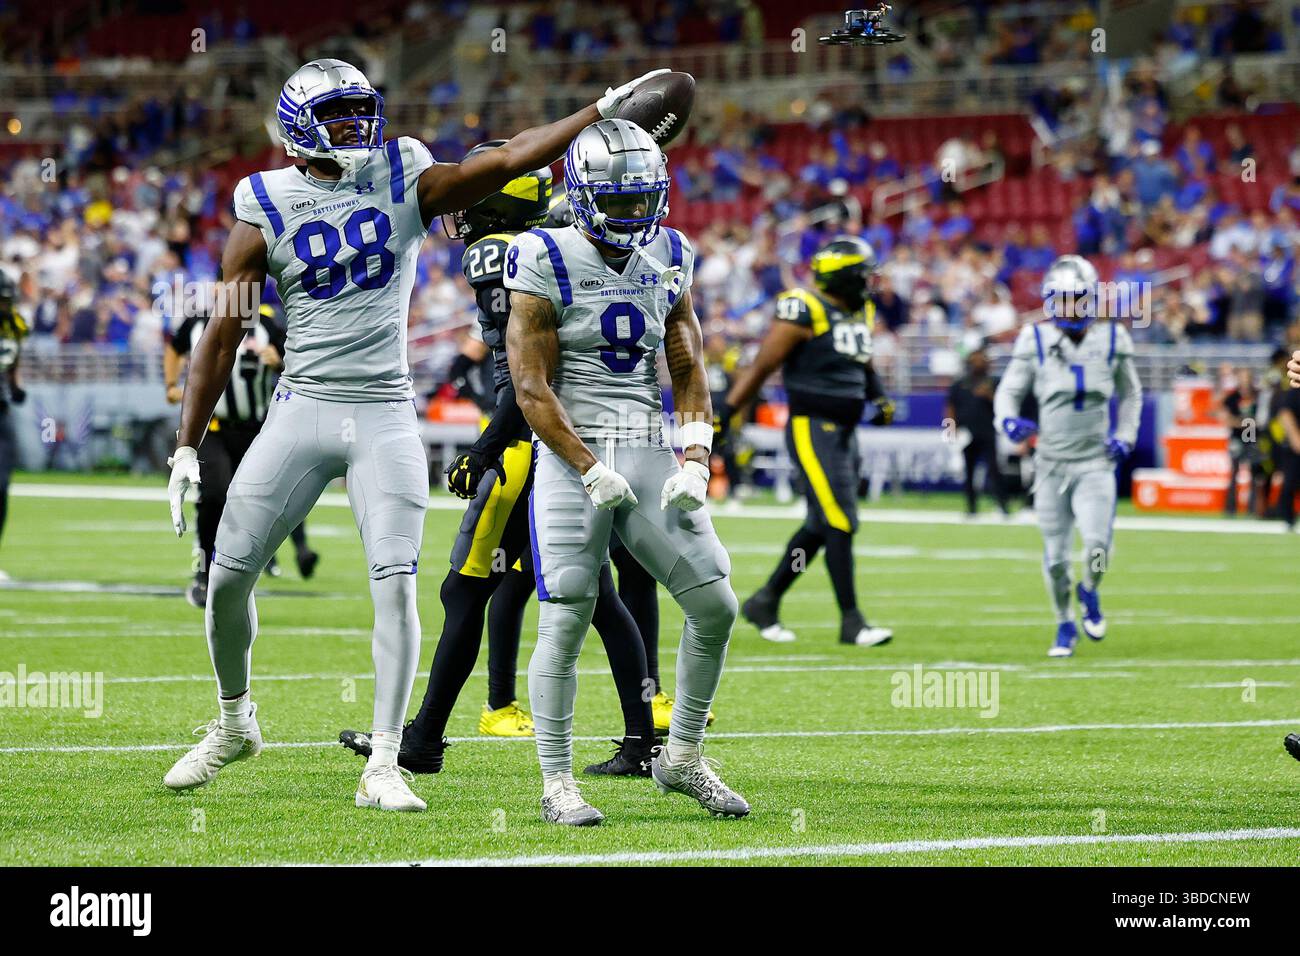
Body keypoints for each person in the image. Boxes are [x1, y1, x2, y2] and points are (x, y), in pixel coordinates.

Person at [161, 57, 670, 812]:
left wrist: (592, 113)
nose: (356, 128)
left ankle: (386, 763)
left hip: (384, 411)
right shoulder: (263, 202)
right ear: (301, 126)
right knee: (228, 576)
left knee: (394, 583)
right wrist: (185, 446)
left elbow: (502, 159)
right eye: (337, 116)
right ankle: (236, 720)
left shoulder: (405, 172)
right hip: (301, 404)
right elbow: (222, 331)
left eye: (360, 111)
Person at [337, 144, 660, 777]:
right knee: (590, 593)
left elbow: (526, 379)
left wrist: (487, 445)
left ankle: (425, 740)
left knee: (468, 589)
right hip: (574, 441)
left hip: (528, 444)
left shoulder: (501, 254)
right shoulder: (558, 245)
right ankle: (640, 739)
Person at [506, 118, 748, 824]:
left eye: (644, 199)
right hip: (569, 450)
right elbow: (529, 387)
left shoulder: (671, 252)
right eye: (618, 201)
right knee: (569, 610)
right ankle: (556, 782)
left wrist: (698, 458)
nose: (634, 215)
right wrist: (585, 468)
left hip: (643, 442)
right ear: (580, 195)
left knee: (715, 602)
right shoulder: (540, 255)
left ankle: (683, 757)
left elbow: (688, 365)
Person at [720, 236, 895, 647]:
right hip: (812, 427)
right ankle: (852, 621)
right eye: (863, 273)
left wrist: (879, 394)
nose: (869, 281)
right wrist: (724, 414)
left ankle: (765, 601)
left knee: (820, 524)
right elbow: (764, 364)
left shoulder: (859, 309)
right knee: (840, 519)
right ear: (845, 276)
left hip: (846, 431)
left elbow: (863, 361)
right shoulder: (805, 307)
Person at [994, 255, 1143, 658]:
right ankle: (1063, 623)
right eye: (1061, 300)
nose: (1069, 308)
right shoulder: (1035, 338)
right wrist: (1007, 423)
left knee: (1097, 547)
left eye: (1077, 299)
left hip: (1095, 461)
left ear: (1091, 299)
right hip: (1050, 464)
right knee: (1057, 558)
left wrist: (1126, 436)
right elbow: (1008, 391)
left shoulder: (1113, 339)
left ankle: (1089, 590)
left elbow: (1131, 393)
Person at [165, 302, 319, 606]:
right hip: (214, 427)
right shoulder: (199, 321)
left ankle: (267, 557)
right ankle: (205, 571)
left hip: (257, 428)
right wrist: (170, 384)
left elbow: (296, 362)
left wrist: (279, 362)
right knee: (214, 494)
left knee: (270, 494)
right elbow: (175, 347)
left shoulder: (266, 325)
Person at [947, 346, 1010, 517]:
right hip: (966, 434)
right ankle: (971, 508)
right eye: (975, 360)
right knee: (969, 472)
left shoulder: (993, 382)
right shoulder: (960, 384)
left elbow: (1004, 405)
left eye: (981, 359)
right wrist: (949, 433)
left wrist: (989, 396)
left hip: (988, 432)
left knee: (994, 470)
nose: (978, 363)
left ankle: (1003, 506)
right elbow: (950, 409)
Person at [0, 271, 27, 580]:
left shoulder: (14, 324)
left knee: (1, 486)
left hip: (2, 409)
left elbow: (14, 356)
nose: (5, 306)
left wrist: (14, 383)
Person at [1219, 367, 1263, 516]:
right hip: (1237, 438)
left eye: (1248, 378)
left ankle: (1253, 509)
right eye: (1242, 378)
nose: (1245, 381)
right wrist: (1245, 422)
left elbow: (1262, 418)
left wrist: (1247, 423)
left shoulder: (1258, 395)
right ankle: (1230, 509)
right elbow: (1226, 418)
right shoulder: (1232, 397)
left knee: (1254, 474)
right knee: (1234, 473)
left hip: (1251, 437)